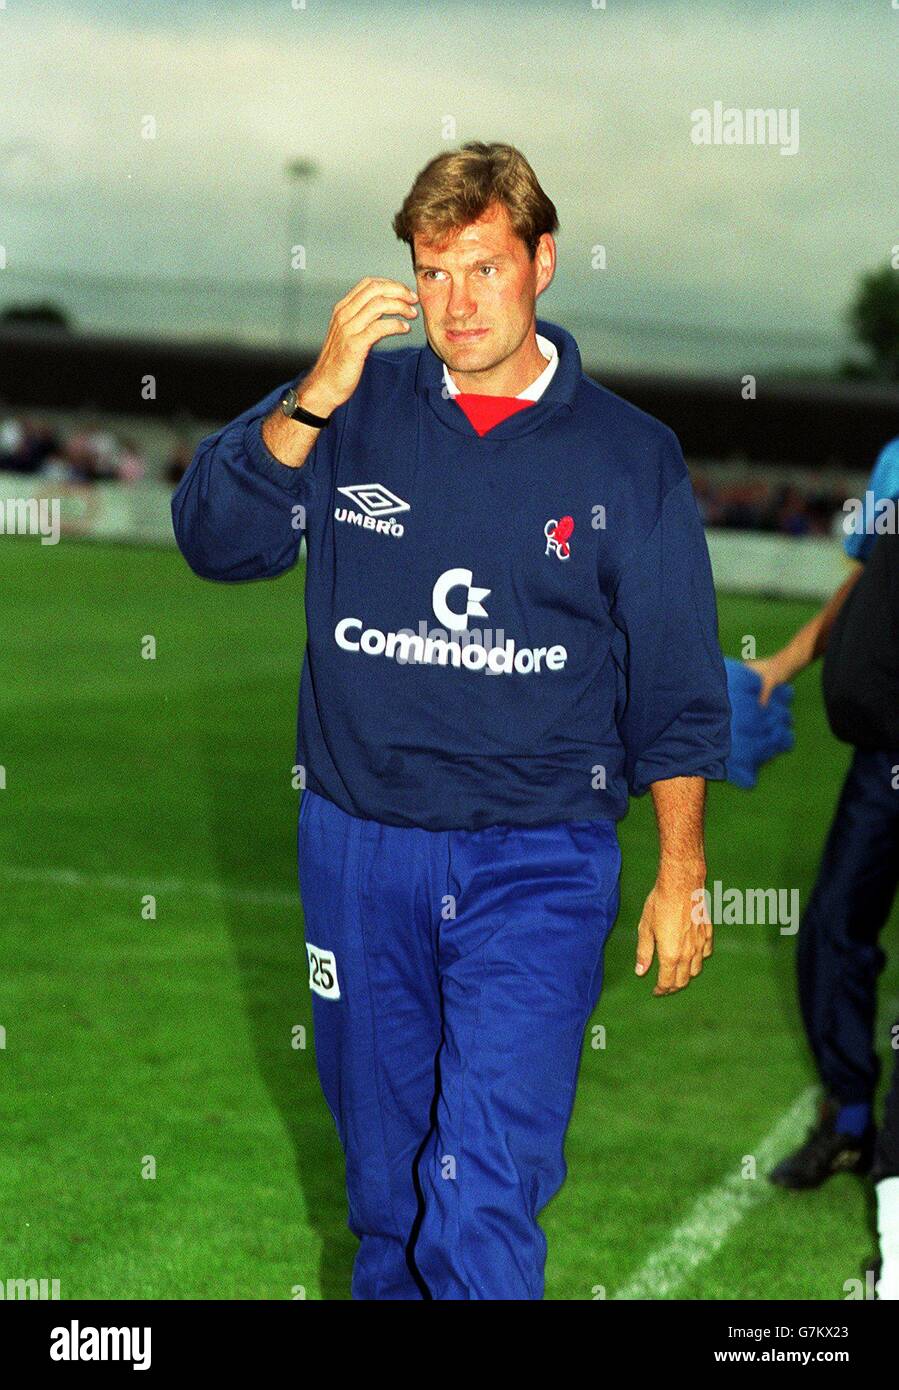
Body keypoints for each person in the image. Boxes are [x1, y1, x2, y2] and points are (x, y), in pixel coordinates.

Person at [171, 141, 730, 1300]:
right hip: (356, 847)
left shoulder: (629, 457)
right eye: (431, 274)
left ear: (542, 263)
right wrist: (313, 394)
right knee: (385, 1206)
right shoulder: (349, 406)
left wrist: (680, 869)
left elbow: (676, 685)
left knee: (475, 1196)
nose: (455, 302)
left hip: (536, 858)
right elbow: (216, 542)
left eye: (481, 267)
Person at [753, 436, 899, 1190]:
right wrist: (784, 660)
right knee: (832, 933)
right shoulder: (893, 460)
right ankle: (846, 1118)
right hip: (881, 757)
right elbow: (863, 581)